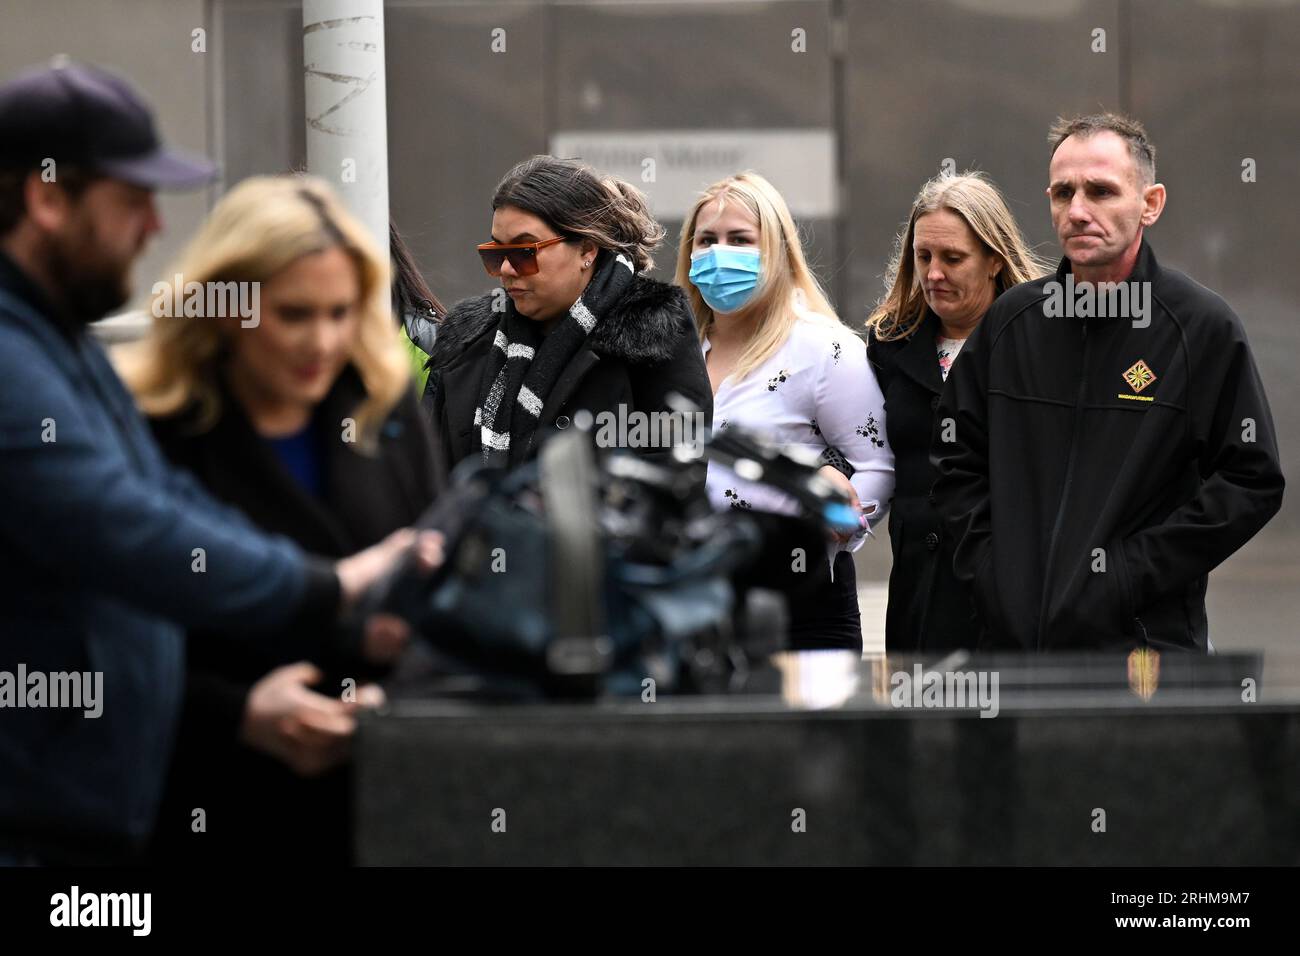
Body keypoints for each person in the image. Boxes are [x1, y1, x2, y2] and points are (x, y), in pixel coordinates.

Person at [0, 60, 431, 865]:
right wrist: (329, 589)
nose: (154, 229)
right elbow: (128, 527)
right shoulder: (21, 354)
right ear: (47, 198)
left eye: (340, 312)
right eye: (131, 201)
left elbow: (156, 505)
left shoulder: (55, 339)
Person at [117, 175, 444, 864]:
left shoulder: (385, 414)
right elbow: (107, 642)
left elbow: (433, 600)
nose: (322, 341)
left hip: (370, 807)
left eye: (341, 312)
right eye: (294, 314)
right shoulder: (152, 430)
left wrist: (393, 695)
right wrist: (232, 714)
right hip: (206, 803)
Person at [932, 113, 1284, 651]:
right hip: (1012, 654)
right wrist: (992, 571)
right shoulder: (1010, 324)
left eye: (1100, 191)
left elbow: (1251, 481)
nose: (1077, 211)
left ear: (1151, 203)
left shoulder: (1199, 329)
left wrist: (1128, 572)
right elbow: (956, 461)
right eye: (1062, 192)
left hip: (1144, 651)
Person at [675, 172, 894, 653]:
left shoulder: (823, 347)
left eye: (740, 240)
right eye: (706, 240)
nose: (718, 253)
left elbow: (876, 463)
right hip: (694, 603)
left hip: (803, 599)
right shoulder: (677, 353)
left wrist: (834, 519)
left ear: (775, 249)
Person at [423, 155, 711, 472]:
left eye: (524, 251)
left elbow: (678, 475)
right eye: (497, 254)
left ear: (587, 250)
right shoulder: (466, 337)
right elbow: (425, 477)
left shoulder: (652, 327)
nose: (505, 269)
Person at [864, 172, 1048, 653]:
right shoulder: (889, 343)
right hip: (918, 592)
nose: (933, 273)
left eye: (953, 258)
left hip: (1014, 591)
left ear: (993, 260)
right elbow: (863, 442)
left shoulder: (1039, 342)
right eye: (923, 256)